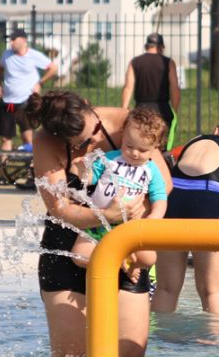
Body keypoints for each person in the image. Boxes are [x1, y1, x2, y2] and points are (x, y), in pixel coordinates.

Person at [27, 90, 172, 357]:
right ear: (62, 138)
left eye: (94, 131)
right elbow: (59, 208)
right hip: (69, 248)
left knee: (129, 355)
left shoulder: (126, 122)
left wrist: (140, 216)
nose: (95, 141)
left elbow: (163, 183)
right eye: (82, 143)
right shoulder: (46, 141)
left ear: (88, 106)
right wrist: (107, 214)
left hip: (126, 244)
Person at [152, 108, 219, 316]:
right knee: (212, 293)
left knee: (166, 288)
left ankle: (159, 344)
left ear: (217, 130)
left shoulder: (198, 139)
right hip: (207, 201)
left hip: (173, 199)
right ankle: (216, 346)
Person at [70, 108, 169, 275]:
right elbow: (91, 179)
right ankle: (115, 261)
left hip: (129, 226)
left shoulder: (151, 169)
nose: (135, 153)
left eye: (143, 150)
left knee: (148, 259)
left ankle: (130, 265)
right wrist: (82, 170)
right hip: (99, 220)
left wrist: (154, 217)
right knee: (78, 256)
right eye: (129, 146)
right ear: (123, 137)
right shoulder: (109, 158)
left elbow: (159, 196)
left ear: (155, 147)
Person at [0, 29, 57, 151]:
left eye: (14, 39)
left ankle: (31, 167)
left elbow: (53, 68)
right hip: (10, 104)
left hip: (25, 103)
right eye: (10, 40)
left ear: (23, 41)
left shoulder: (33, 55)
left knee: (27, 137)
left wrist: (40, 83)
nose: (11, 42)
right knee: (6, 138)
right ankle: (2, 167)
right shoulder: (6, 55)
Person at [121, 32, 181, 150]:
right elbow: (175, 88)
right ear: (161, 47)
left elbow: (128, 87)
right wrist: (174, 110)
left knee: (141, 146)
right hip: (162, 110)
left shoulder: (135, 62)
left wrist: (124, 109)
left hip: (141, 110)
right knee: (161, 147)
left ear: (146, 46)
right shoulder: (168, 63)